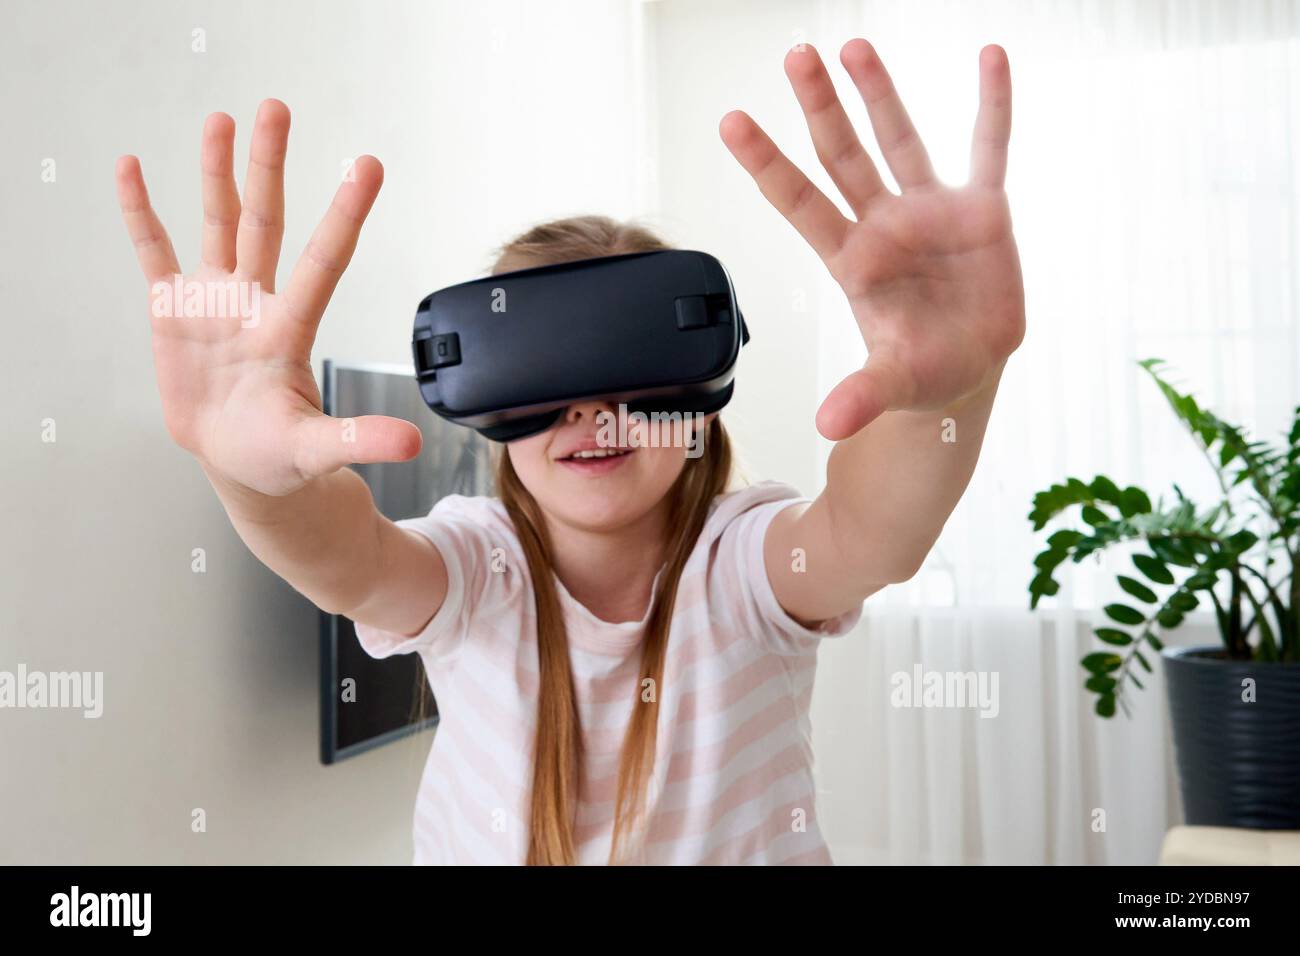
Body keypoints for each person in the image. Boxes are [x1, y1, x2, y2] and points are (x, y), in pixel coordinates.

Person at [114, 39, 1024, 864]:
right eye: (545, 384)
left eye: (628, 376)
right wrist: (241, 471)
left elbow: (869, 534)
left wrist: (948, 395)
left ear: (696, 402)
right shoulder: (475, 572)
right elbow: (343, 552)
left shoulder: (741, 565)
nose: (591, 415)